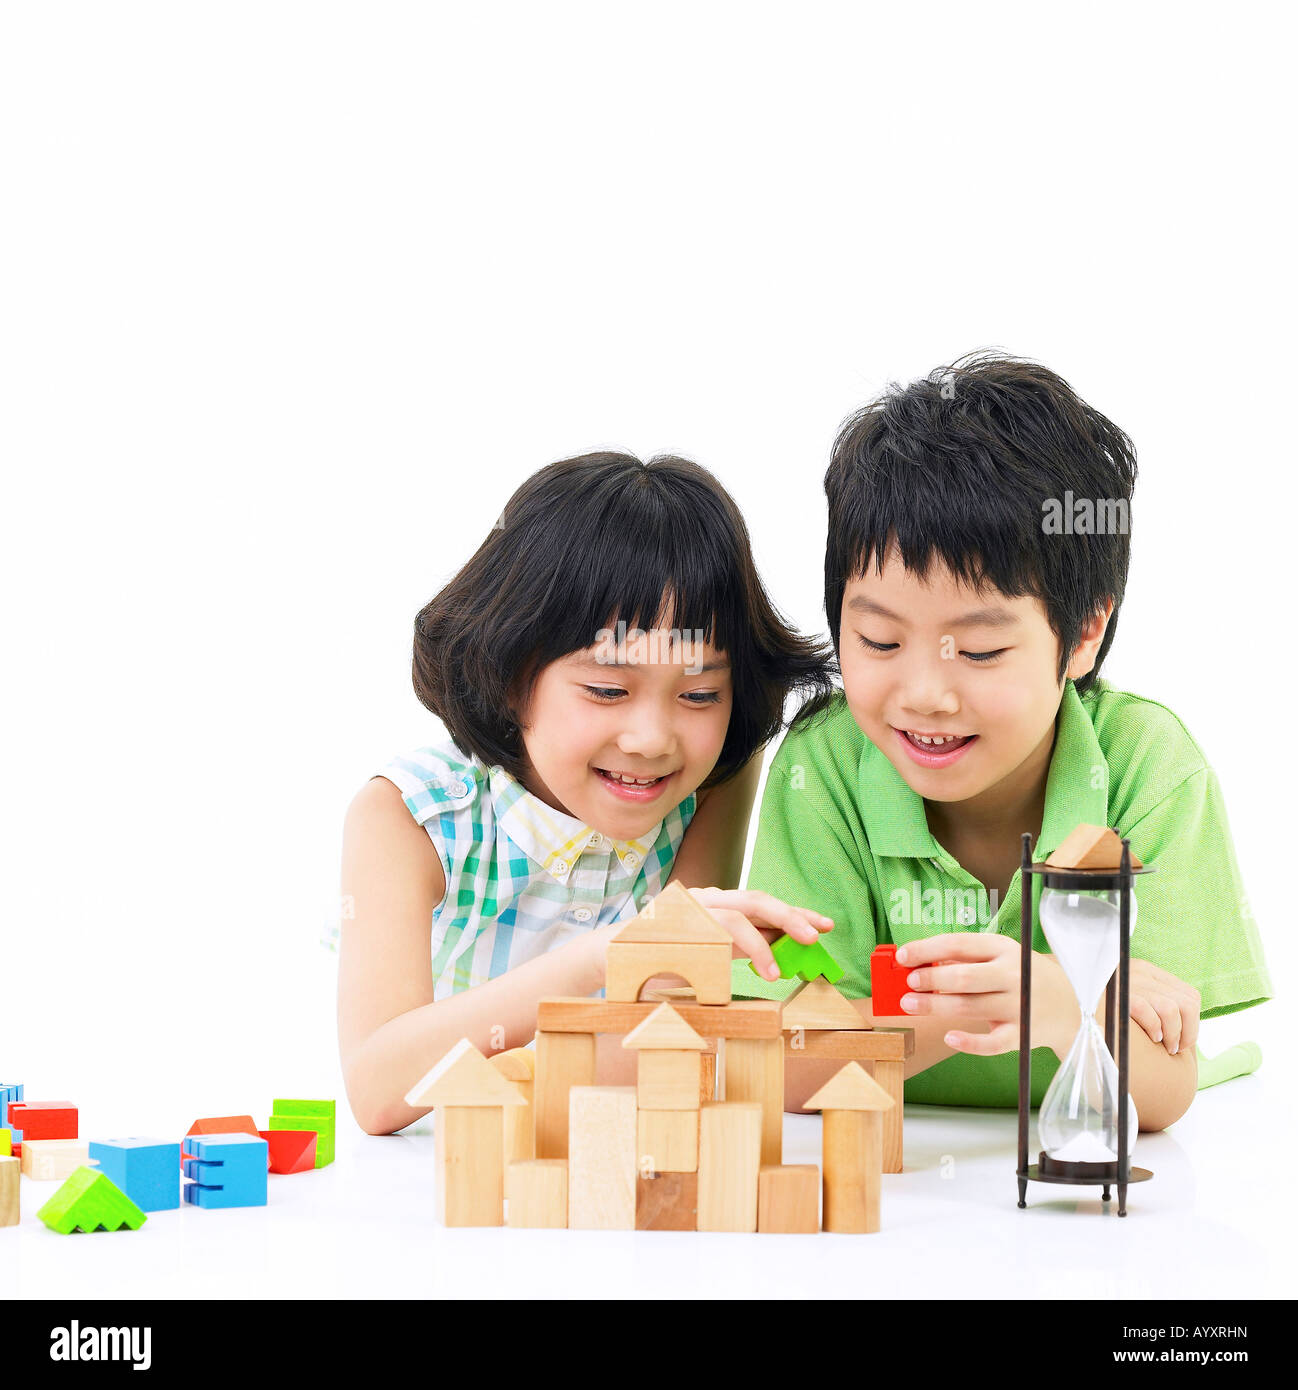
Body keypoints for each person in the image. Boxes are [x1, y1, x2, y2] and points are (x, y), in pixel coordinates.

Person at [738, 353, 1272, 1127]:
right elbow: (790, 1060)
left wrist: (1048, 1001)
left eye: (981, 651)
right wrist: (1045, 995)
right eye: (880, 642)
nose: (925, 693)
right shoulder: (821, 769)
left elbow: (1163, 1085)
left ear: (1084, 632)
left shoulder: (1150, 766)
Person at [338, 451, 834, 1135]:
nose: (651, 739)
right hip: (444, 1182)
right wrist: (607, 955)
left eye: (698, 694)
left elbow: (670, 1018)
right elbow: (377, 1090)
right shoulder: (410, 816)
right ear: (510, 673)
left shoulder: (711, 783)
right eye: (607, 689)